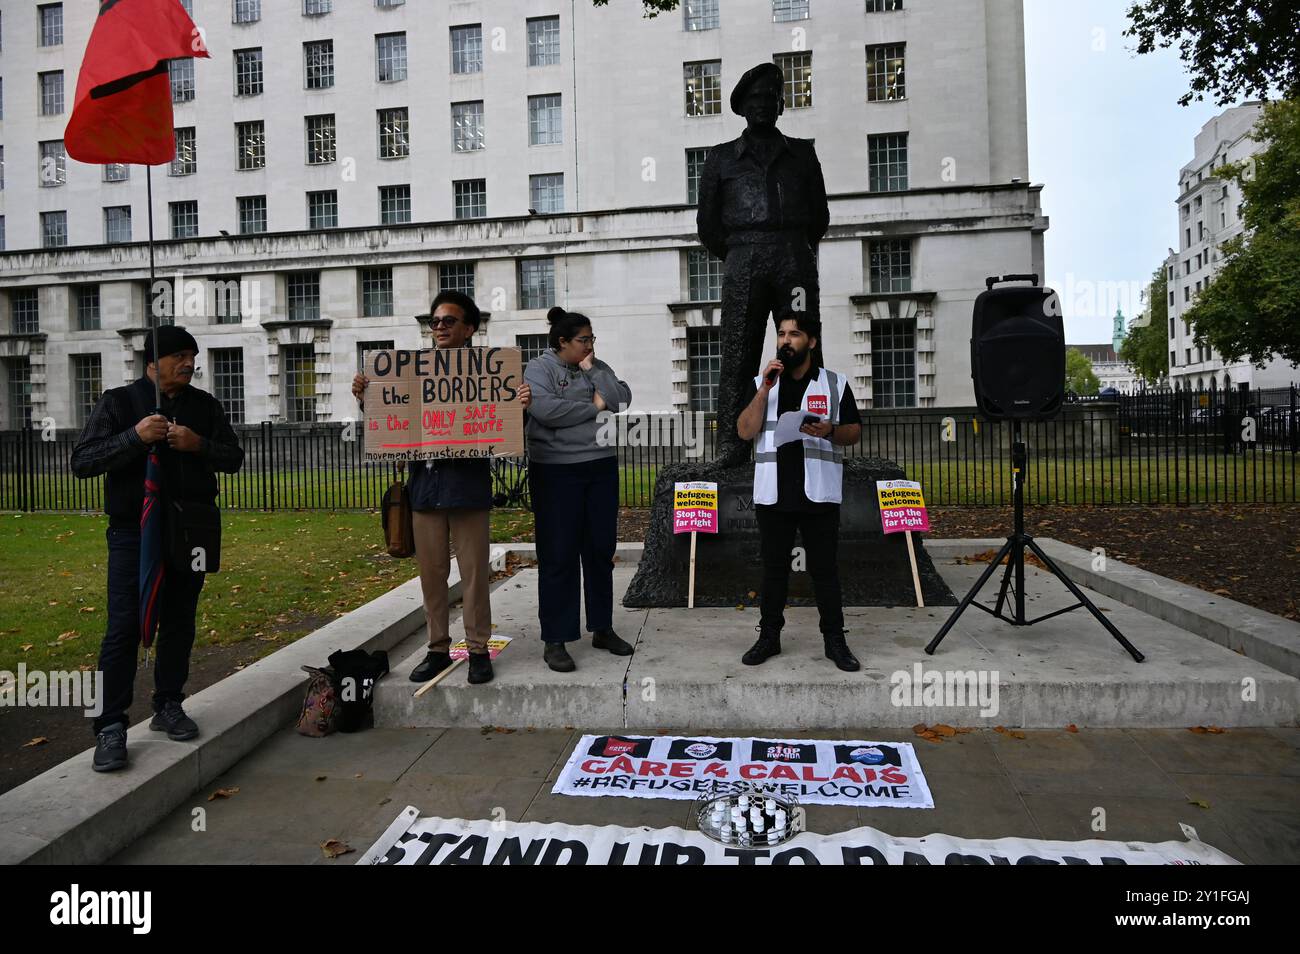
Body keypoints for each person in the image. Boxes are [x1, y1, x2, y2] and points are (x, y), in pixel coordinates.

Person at [71, 325, 244, 772]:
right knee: (124, 626)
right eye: (177, 356)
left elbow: (234, 457)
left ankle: (169, 703)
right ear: (151, 363)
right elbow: (82, 461)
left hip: (192, 529)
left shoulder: (204, 406)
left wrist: (197, 444)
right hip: (135, 533)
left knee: (180, 619)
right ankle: (110, 725)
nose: (188, 363)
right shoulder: (119, 402)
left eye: (191, 356)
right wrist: (134, 436)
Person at [352, 290, 530, 686]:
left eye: (449, 321)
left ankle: (478, 650)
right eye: (434, 322)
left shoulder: (489, 373)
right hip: (426, 489)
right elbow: (393, 419)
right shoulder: (410, 371)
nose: (439, 328)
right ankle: (437, 649)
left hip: (467, 489)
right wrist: (369, 399)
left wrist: (519, 406)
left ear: (469, 328)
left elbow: (509, 432)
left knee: (472, 575)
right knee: (431, 575)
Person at [697, 61, 829, 465]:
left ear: (780, 105)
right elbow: (707, 225)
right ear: (742, 107)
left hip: (794, 257)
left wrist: (791, 247)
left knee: (803, 351)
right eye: (755, 99)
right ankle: (732, 447)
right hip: (744, 260)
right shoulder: (721, 159)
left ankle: (809, 437)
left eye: (770, 98)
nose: (762, 106)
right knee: (738, 351)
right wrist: (741, 252)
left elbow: (819, 218)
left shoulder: (802, 154)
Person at [736, 312, 862, 672]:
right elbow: (745, 431)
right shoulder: (763, 383)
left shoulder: (834, 384)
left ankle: (835, 640)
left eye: (794, 334)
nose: (786, 340)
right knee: (774, 570)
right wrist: (763, 389)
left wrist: (830, 431)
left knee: (825, 570)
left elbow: (854, 432)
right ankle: (769, 636)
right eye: (781, 334)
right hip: (774, 494)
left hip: (818, 493)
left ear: (811, 342)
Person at [525, 307, 633, 672]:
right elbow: (546, 411)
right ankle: (556, 638)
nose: (590, 345)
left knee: (600, 550)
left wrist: (593, 373)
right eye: (583, 340)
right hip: (555, 471)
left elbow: (619, 399)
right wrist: (593, 406)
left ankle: (602, 627)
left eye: (592, 339)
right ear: (562, 342)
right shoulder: (539, 369)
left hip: (599, 468)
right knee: (559, 555)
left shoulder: (597, 367)